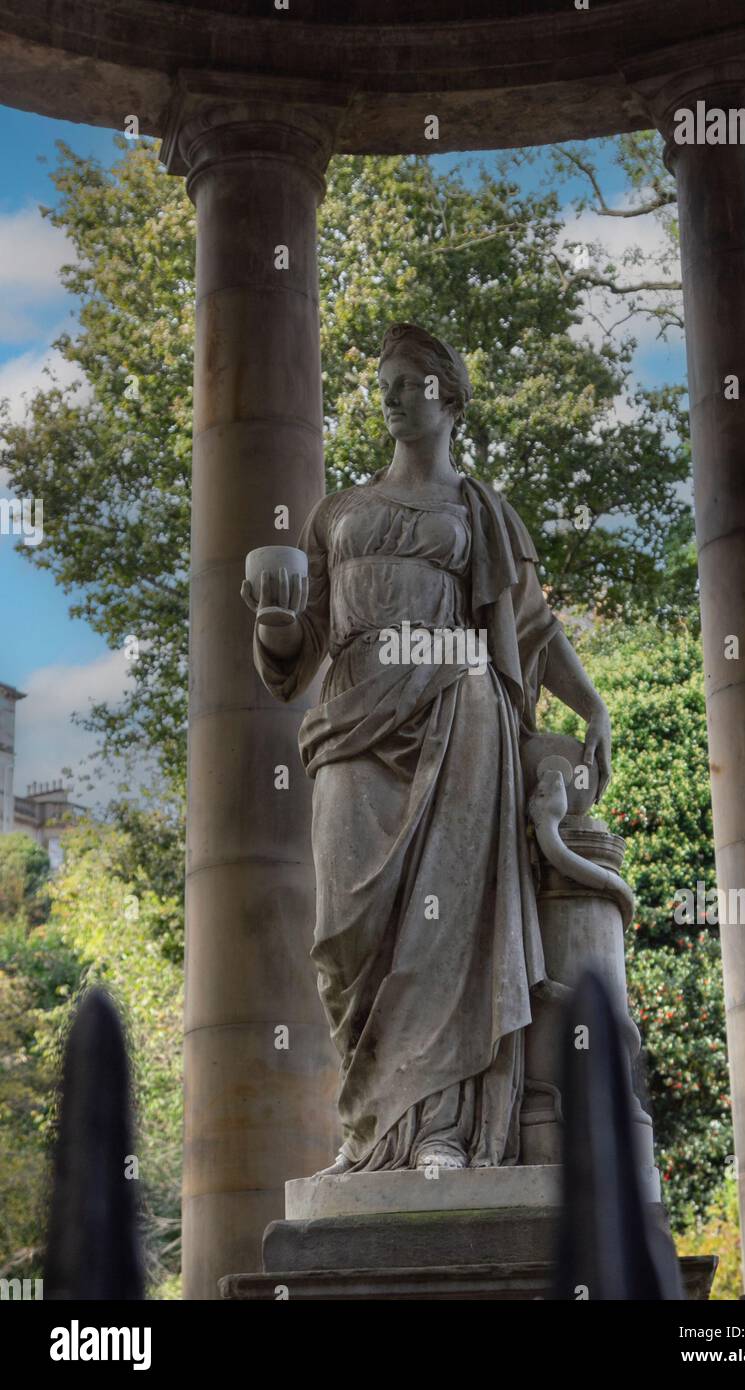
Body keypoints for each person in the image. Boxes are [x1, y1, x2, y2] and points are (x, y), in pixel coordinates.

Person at [243, 322, 611, 1174]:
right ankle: (372, 1130)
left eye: (408, 382)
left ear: (447, 394)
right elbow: (296, 660)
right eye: (384, 386)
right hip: (353, 725)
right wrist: (272, 626)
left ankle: (440, 1126)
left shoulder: (479, 511)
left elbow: (529, 628)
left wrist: (588, 705)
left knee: (447, 934)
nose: (391, 397)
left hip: (457, 715)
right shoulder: (337, 514)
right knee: (346, 932)